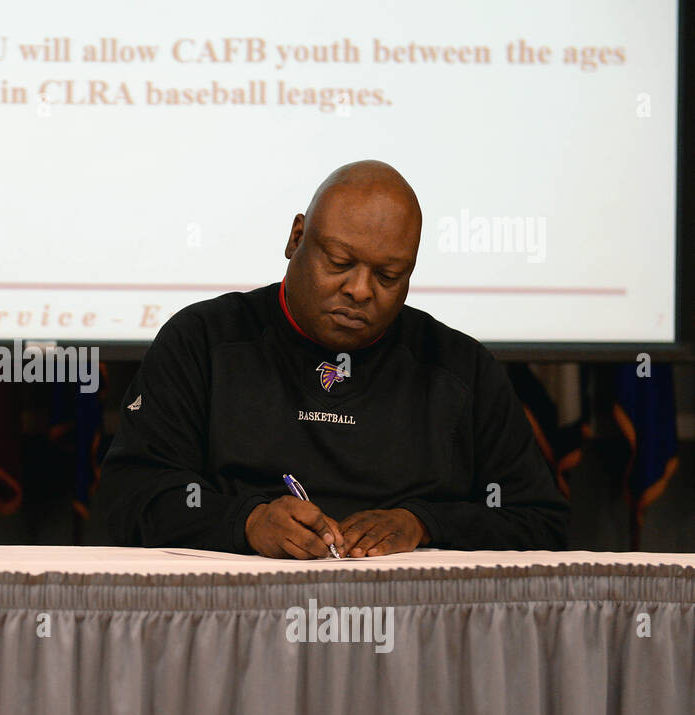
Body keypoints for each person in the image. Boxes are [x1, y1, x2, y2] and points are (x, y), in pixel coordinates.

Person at [96, 160, 570, 558]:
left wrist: (424, 523)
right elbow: (127, 496)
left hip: (408, 630)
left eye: (388, 276)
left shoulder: (459, 368)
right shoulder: (203, 341)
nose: (360, 291)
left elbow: (542, 523)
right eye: (340, 263)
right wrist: (247, 522)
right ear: (296, 237)